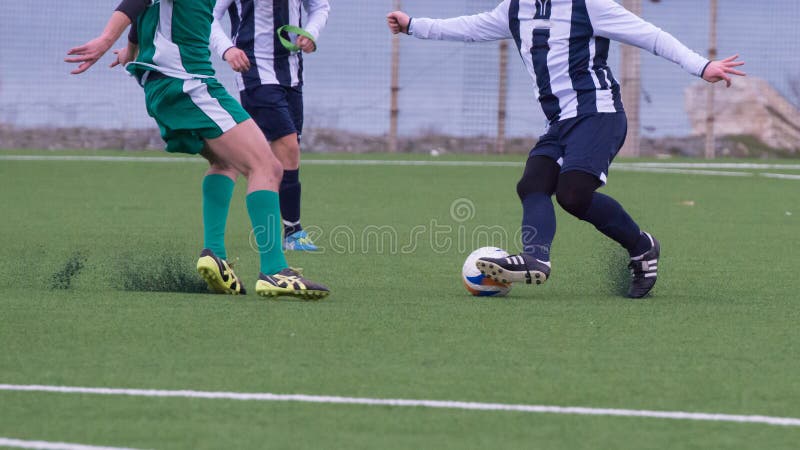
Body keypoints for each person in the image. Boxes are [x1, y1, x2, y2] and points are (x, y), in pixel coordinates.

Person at [387, 0, 745, 298]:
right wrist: (414, 25)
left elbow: (650, 36)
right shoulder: (515, 8)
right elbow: (469, 28)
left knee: (572, 193)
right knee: (533, 184)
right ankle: (536, 258)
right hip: (560, 121)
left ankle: (641, 247)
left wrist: (701, 66)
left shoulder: (589, 5)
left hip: (598, 114)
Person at [65, 0, 329, 299]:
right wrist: (106, 39)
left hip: (164, 85)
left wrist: (131, 47)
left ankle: (215, 255)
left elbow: (146, 8)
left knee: (225, 162)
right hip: (188, 84)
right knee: (267, 167)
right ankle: (275, 271)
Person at [209, 0, 330, 252]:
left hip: (291, 72)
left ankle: (283, 231)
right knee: (287, 146)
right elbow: (209, 15)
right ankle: (292, 232)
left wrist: (311, 33)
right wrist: (227, 49)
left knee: (282, 155)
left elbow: (320, 6)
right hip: (254, 70)